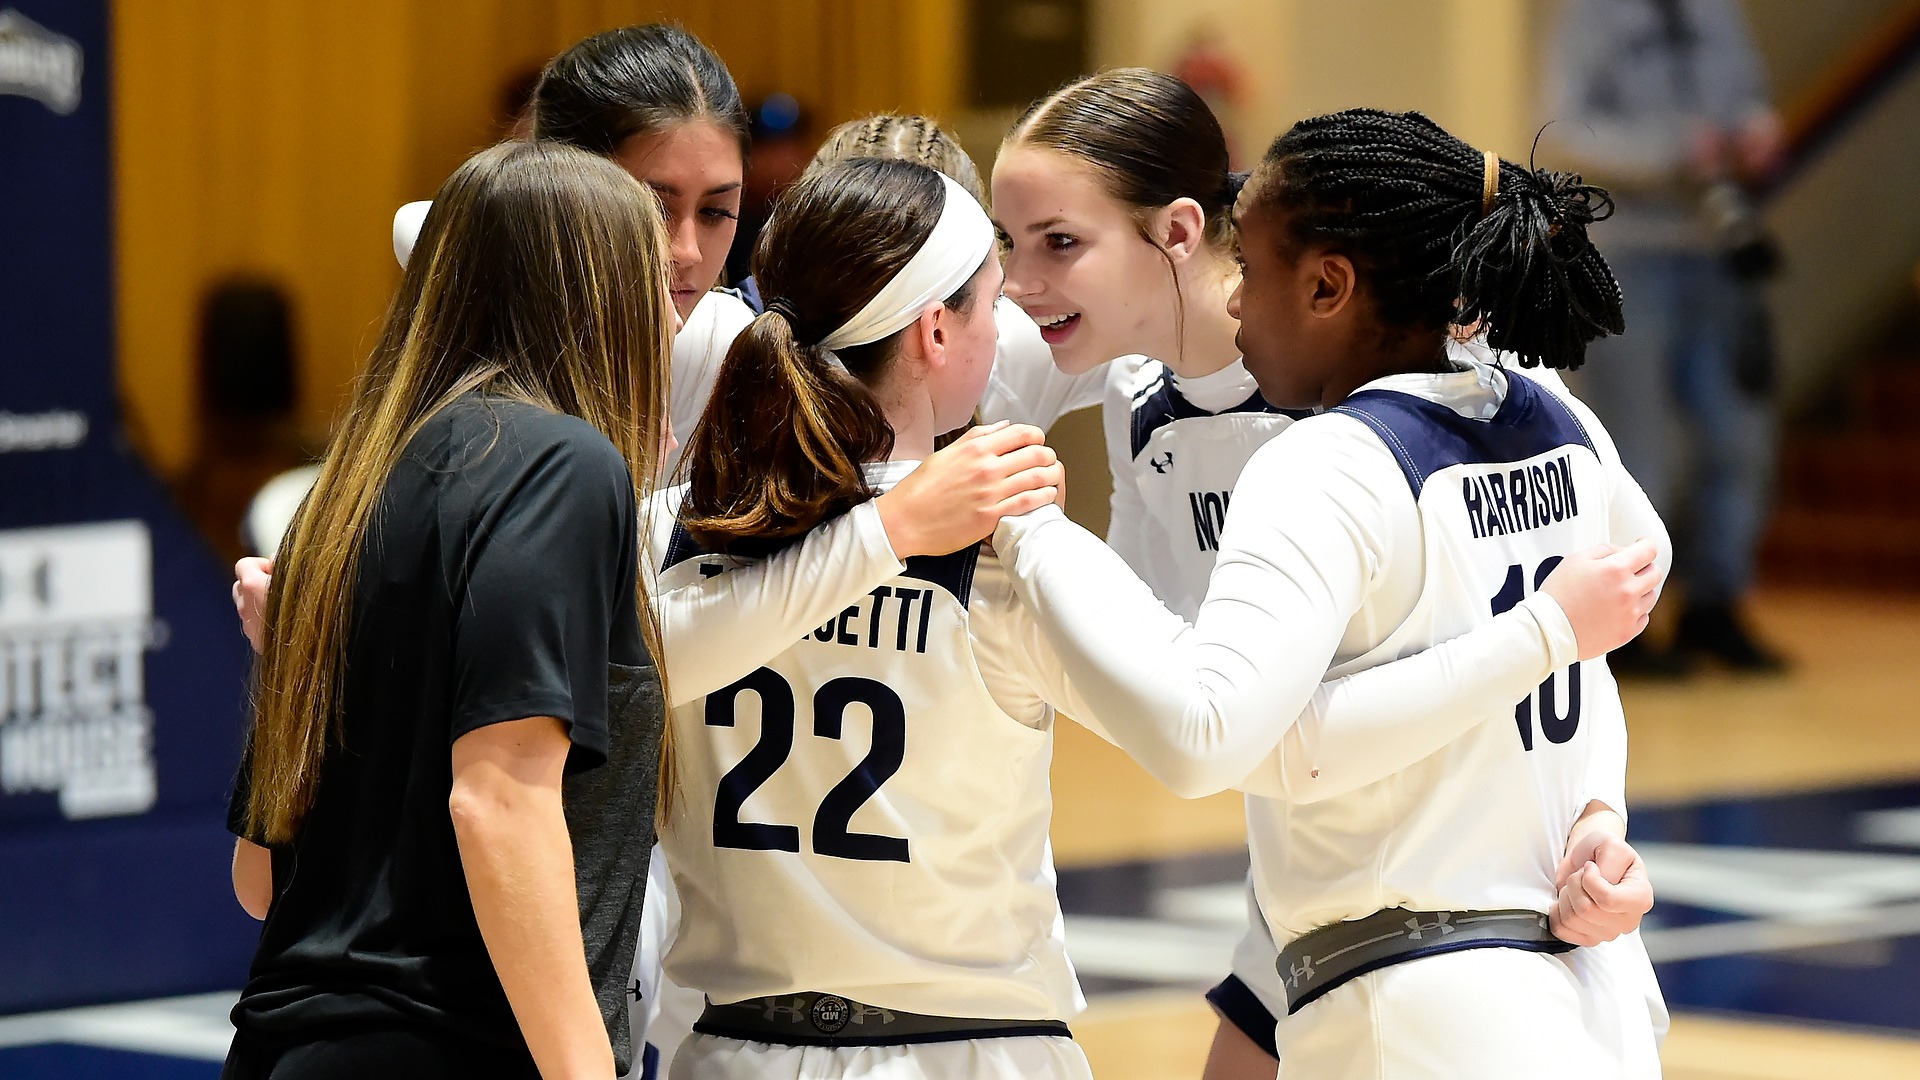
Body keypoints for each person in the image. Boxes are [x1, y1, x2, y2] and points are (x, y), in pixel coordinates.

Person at [989, 109, 1671, 1078]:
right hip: (1569, 977)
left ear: (1326, 284)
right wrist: (1597, 804)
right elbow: (1630, 576)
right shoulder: (1552, 412)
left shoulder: (1323, 460)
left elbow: (1234, 736)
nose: (1236, 302)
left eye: (1253, 274)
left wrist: (1025, 533)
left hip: (1414, 981)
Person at [223, 140, 675, 1080]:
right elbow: (499, 801)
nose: (673, 321)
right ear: (605, 300)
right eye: (657, 288)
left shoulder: (344, 489)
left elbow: (260, 882)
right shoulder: (561, 464)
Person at [1544, 0, 1787, 673]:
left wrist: (1754, 135)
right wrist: (1670, 152)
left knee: (1736, 436)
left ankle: (1715, 606)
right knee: (1634, 448)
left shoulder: (1718, 12)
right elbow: (1565, 131)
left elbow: (1751, 99)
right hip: (1628, 254)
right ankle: (1627, 625)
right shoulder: (1589, 15)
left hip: (1717, 250)